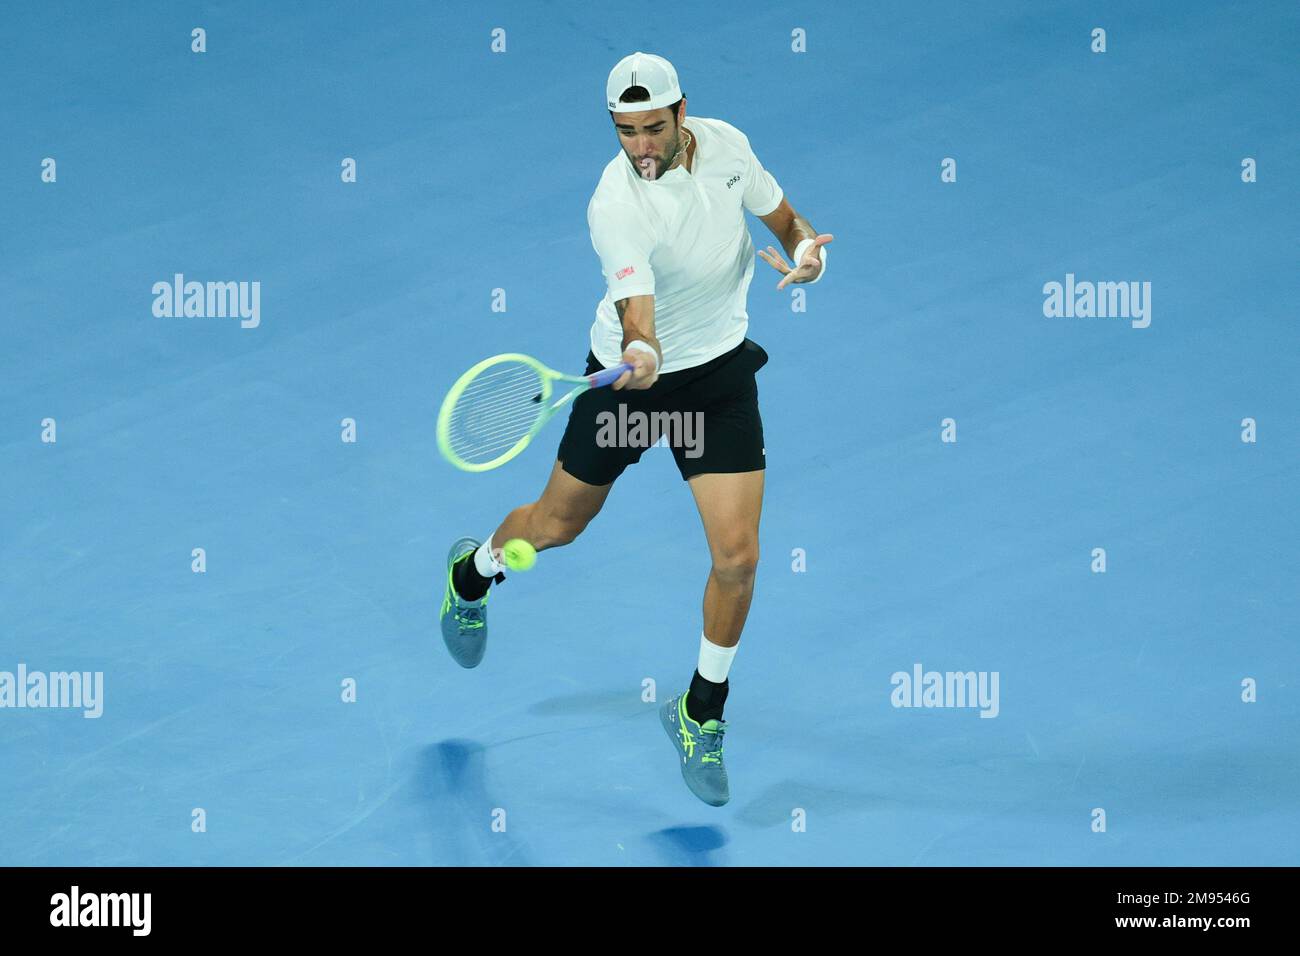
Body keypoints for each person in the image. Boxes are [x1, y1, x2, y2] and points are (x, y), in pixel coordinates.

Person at [439, 51, 832, 806]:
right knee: (554, 527)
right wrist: (642, 352)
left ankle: (700, 711)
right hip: (633, 391)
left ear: (683, 114)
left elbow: (783, 219)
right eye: (627, 132)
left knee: (739, 558)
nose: (642, 146)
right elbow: (637, 315)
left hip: (716, 384)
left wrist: (807, 251)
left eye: (654, 128)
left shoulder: (727, 148)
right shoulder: (615, 206)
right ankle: (476, 571)